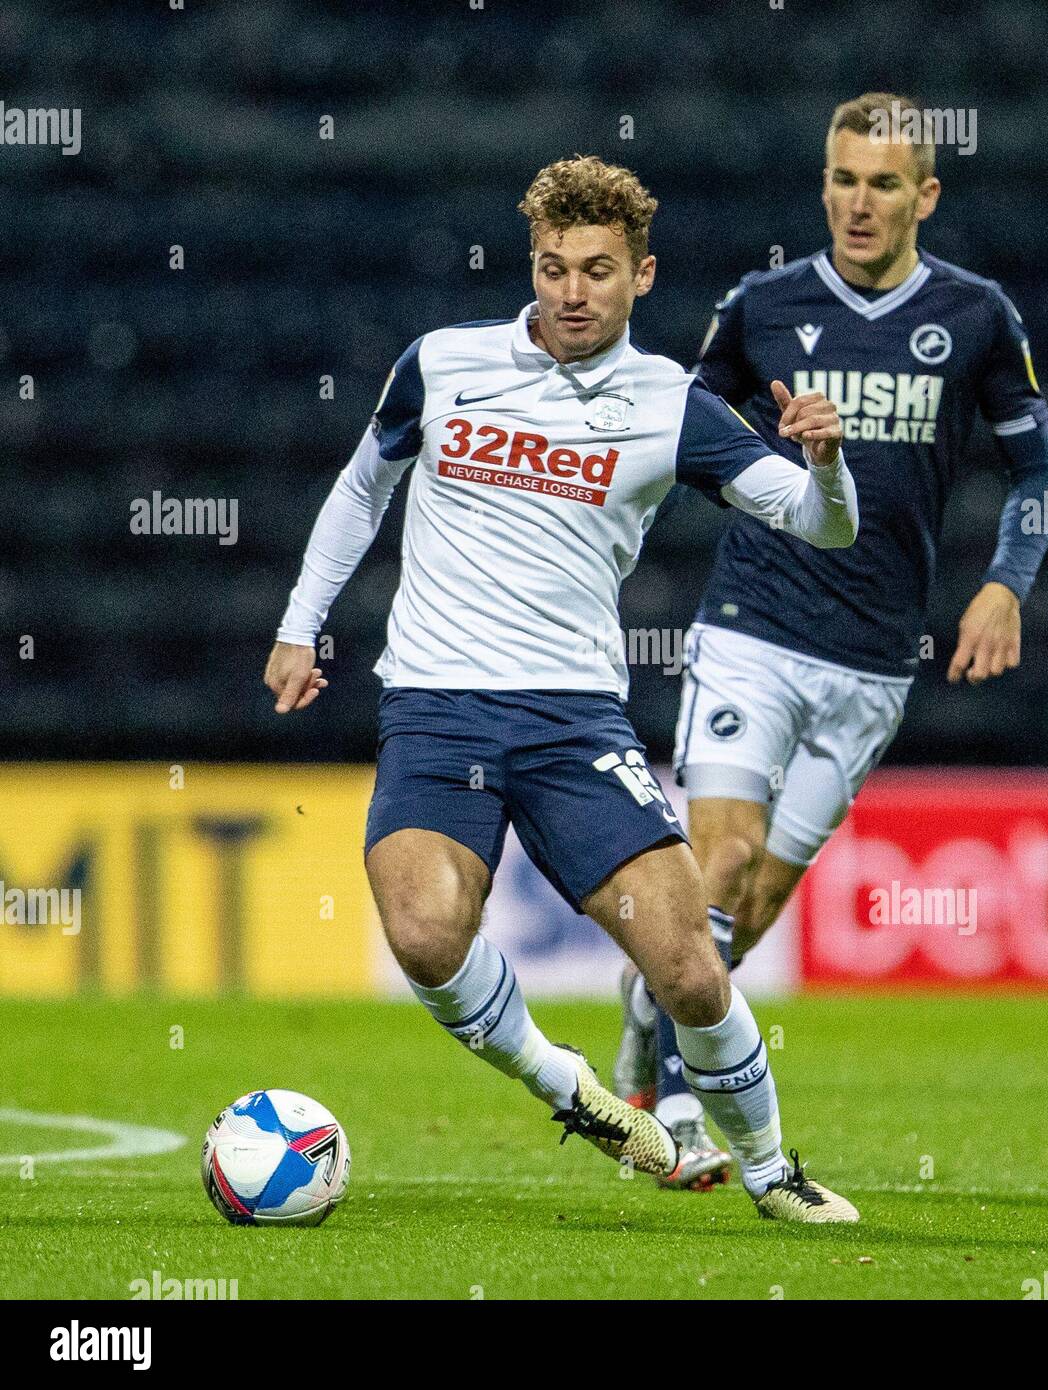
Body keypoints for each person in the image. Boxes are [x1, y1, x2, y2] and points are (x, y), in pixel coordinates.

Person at [264, 155, 864, 1221]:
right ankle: (572, 1088)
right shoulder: (443, 364)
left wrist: (825, 464)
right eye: (552, 268)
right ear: (531, 268)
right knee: (423, 932)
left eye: (596, 270)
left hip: (571, 721)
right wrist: (299, 625)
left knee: (686, 968)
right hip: (438, 707)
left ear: (643, 275)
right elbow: (365, 487)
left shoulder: (672, 405)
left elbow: (823, 525)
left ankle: (774, 1168)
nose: (572, 292)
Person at [617, 94, 1048, 1188]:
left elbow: (1039, 476)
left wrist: (1005, 584)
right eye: (842, 179)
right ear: (823, 183)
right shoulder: (762, 306)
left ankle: (644, 1031)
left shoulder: (976, 317)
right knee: (714, 862)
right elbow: (674, 426)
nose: (858, 203)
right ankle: (675, 1112)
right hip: (751, 630)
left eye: (883, 183)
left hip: (874, 661)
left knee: (750, 911)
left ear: (926, 195)